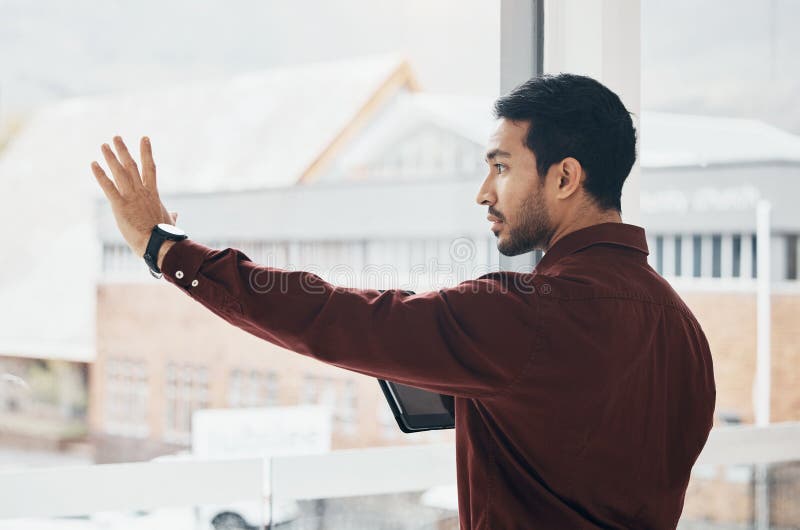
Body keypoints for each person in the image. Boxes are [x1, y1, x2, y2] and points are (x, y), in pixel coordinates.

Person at [91, 73, 716, 529]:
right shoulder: (686, 333)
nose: (484, 192)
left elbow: (329, 315)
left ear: (565, 177)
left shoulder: (526, 316)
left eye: (501, 167)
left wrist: (165, 250)